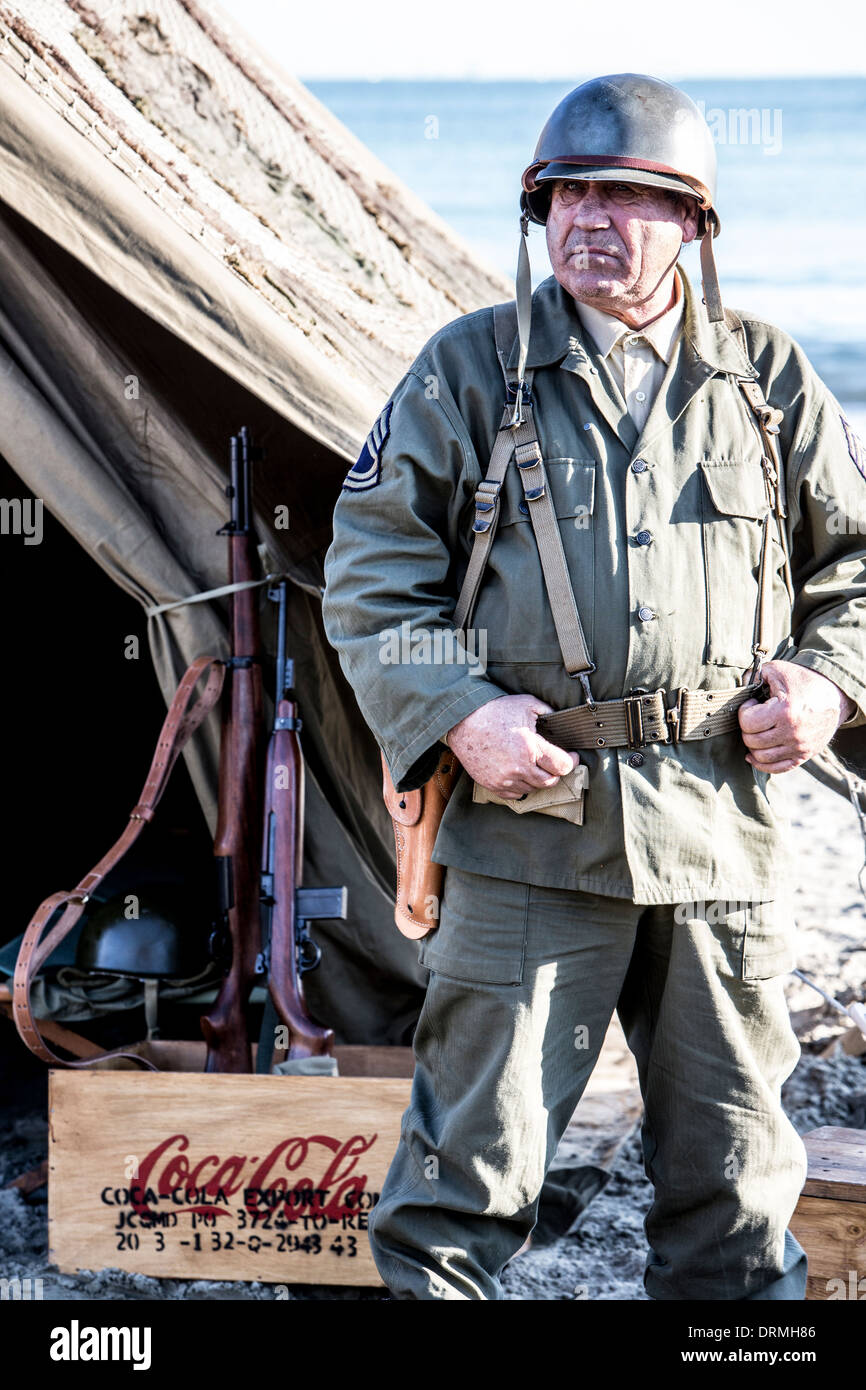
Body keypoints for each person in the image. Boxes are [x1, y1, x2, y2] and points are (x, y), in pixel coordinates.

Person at [322, 73, 866, 1300]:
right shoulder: (468, 372)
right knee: (460, 1190)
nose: (591, 218)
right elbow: (367, 580)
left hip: (719, 830)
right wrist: (461, 714)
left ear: (692, 223)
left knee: (731, 1193)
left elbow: (855, 564)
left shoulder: (763, 379)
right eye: (569, 191)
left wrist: (829, 684)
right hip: (529, 841)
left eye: (628, 194)